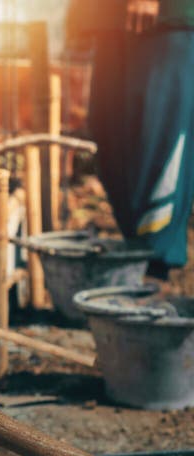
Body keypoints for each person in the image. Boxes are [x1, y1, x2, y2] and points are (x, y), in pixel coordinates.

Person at [69, 0, 194, 276]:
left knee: (158, 139)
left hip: (163, 20)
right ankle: (138, 261)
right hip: (112, 20)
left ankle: (155, 268)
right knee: (108, 134)